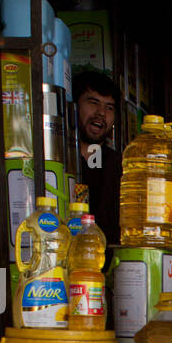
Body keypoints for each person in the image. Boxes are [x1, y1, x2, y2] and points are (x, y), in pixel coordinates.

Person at [72, 71, 121, 244]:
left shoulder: (121, 167)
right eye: (93, 103)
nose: (101, 113)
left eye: (109, 107)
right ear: (75, 105)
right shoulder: (58, 159)